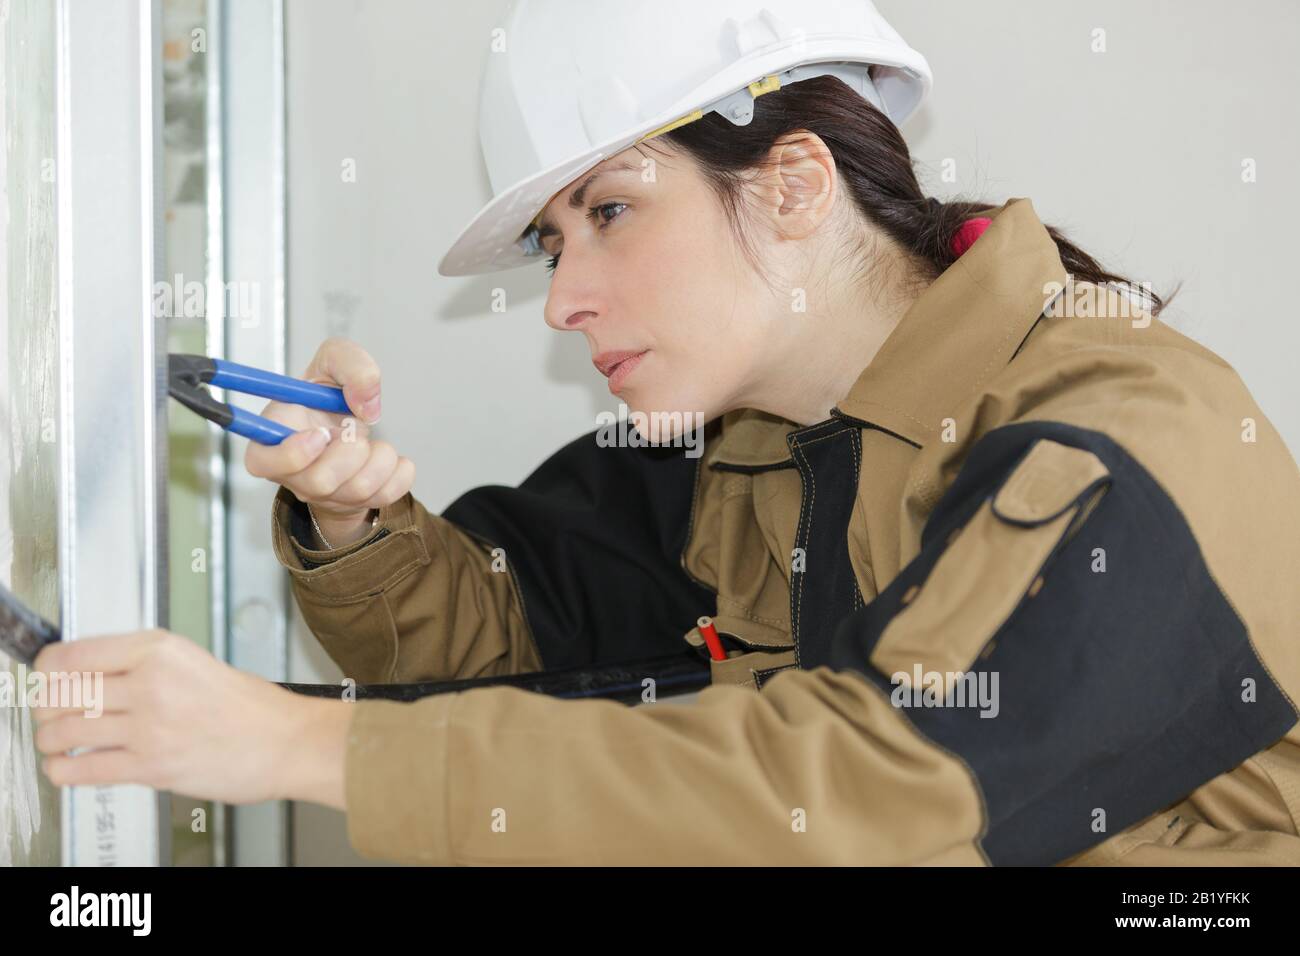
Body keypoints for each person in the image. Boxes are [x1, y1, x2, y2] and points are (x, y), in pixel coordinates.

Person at [32, 0, 1300, 866]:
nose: (565, 295)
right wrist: (353, 518)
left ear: (792, 183)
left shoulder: (1117, 442)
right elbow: (513, 650)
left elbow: (862, 792)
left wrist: (296, 741)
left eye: (612, 213)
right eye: (551, 241)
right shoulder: (747, 450)